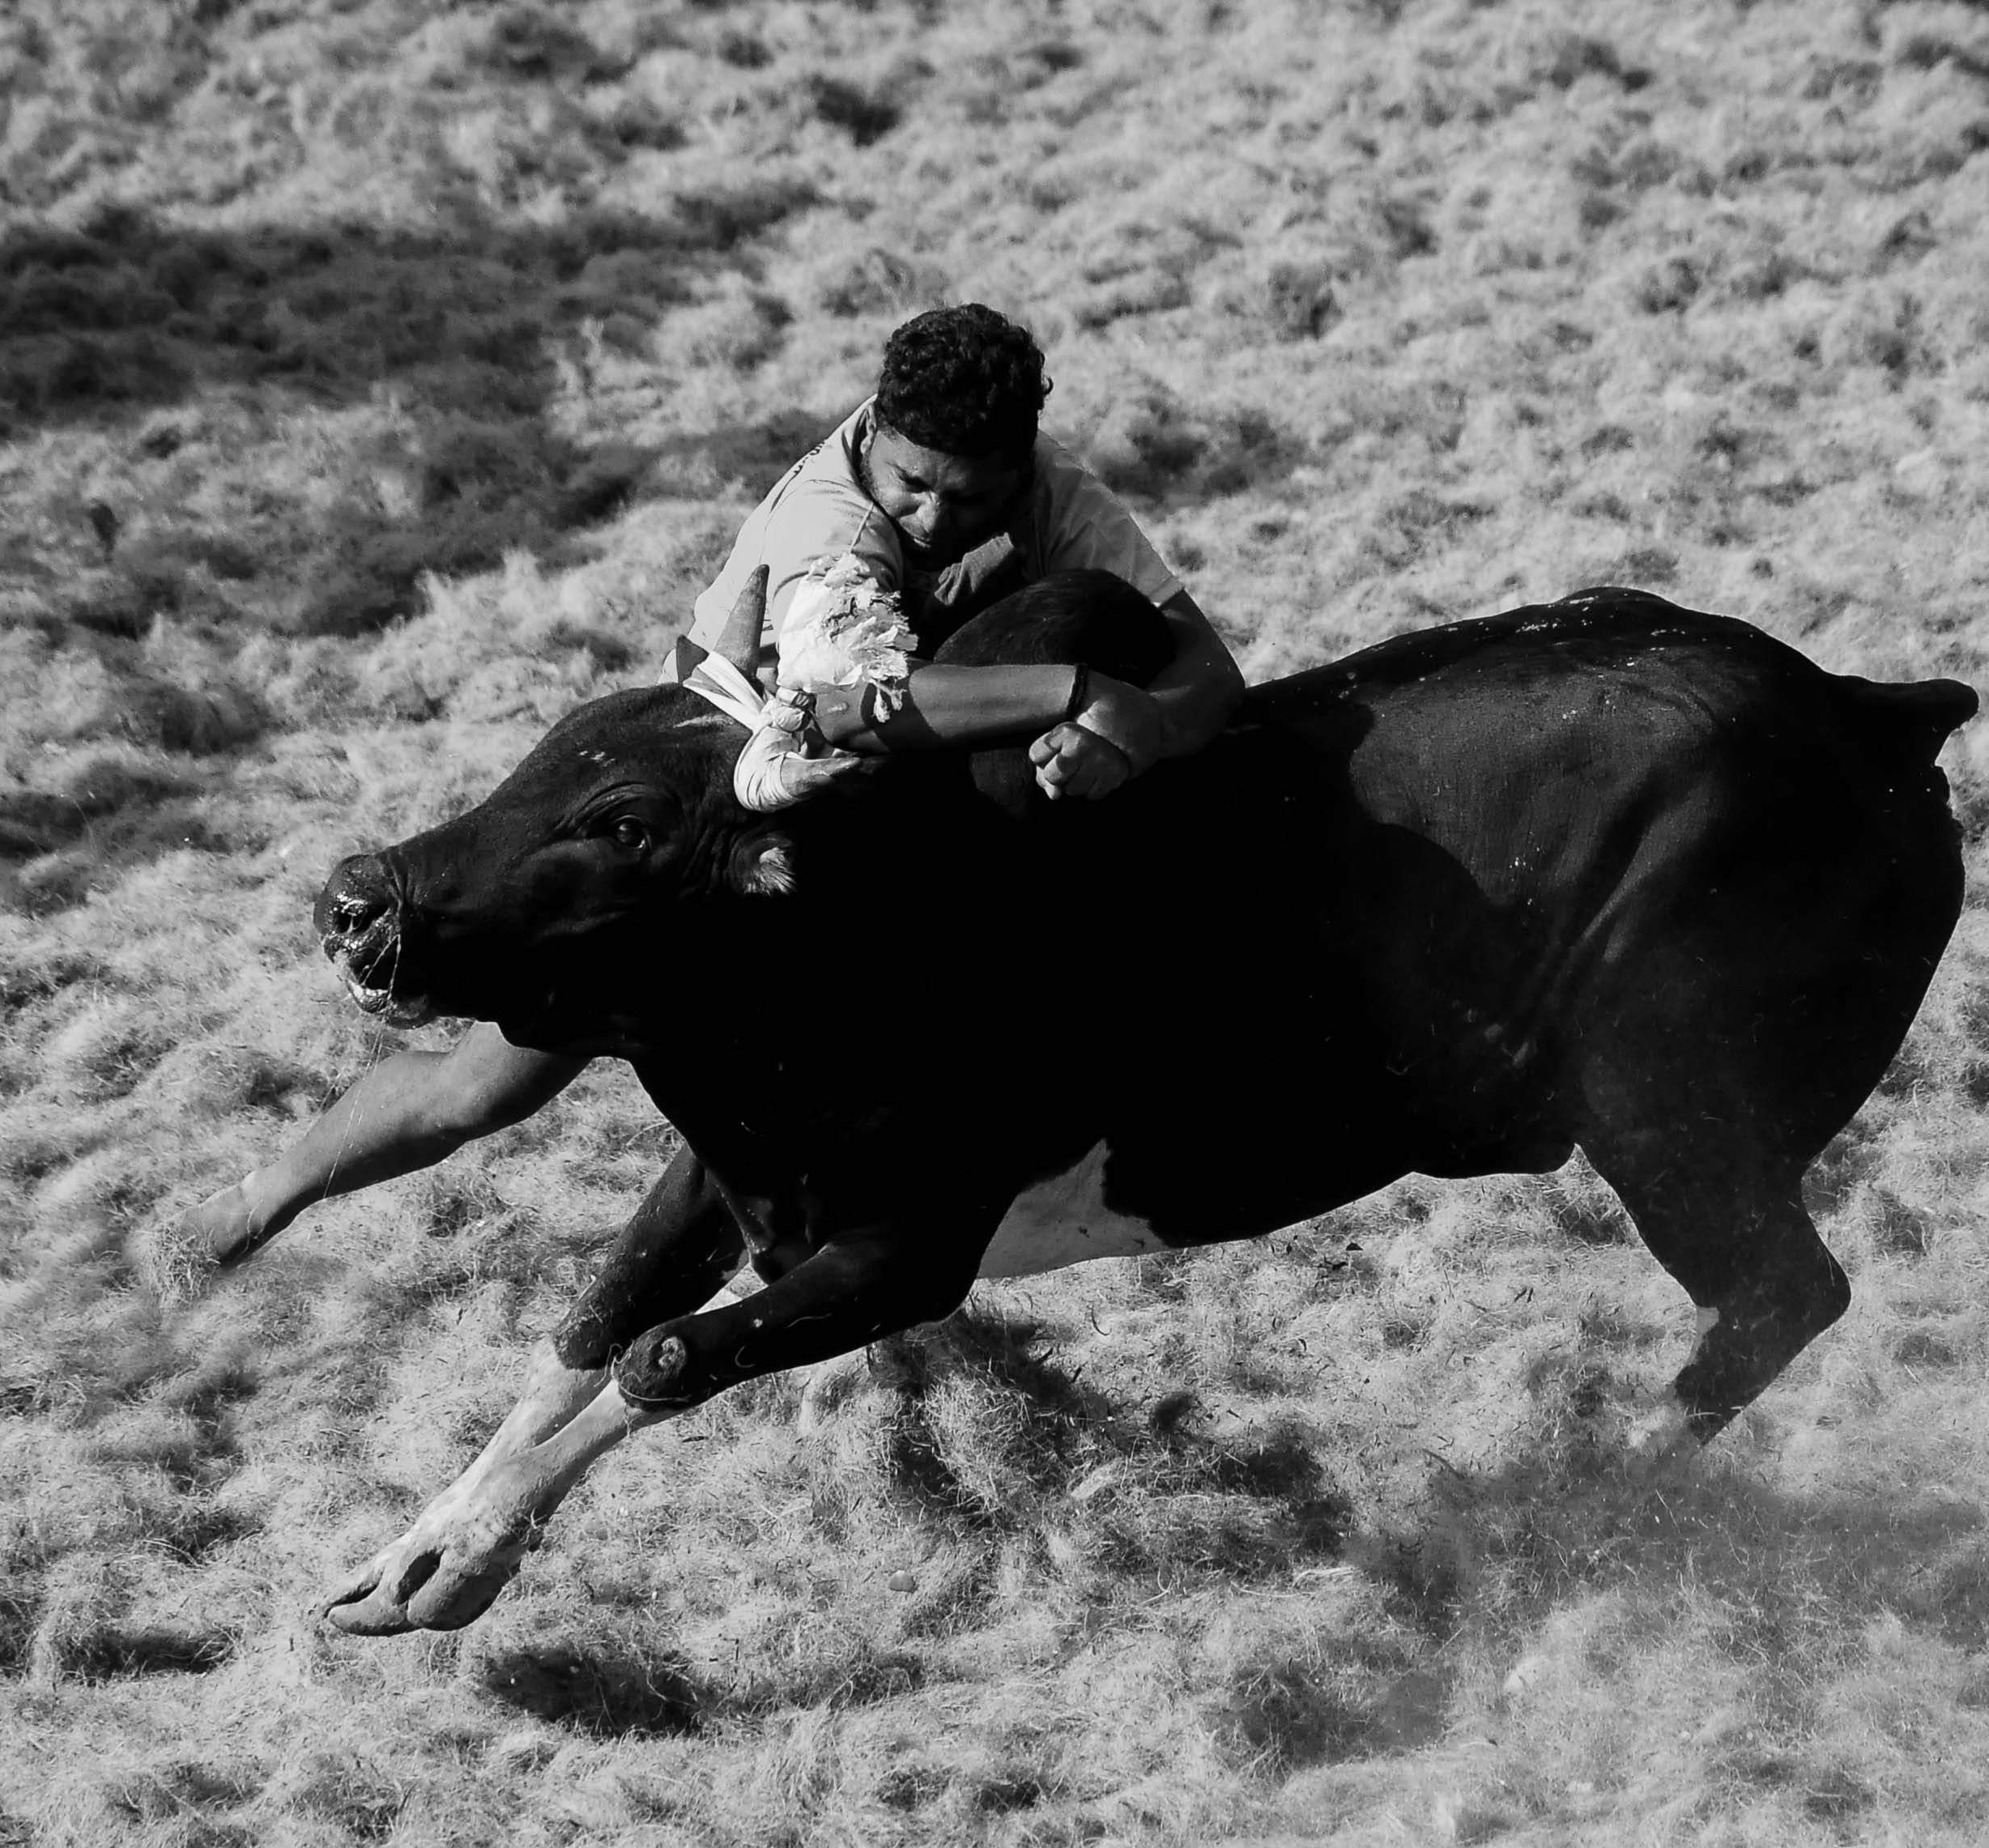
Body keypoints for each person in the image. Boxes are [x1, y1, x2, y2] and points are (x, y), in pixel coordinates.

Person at [168, 305, 1243, 1274]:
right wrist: (1083, 690)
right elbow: (857, 699)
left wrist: (1139, 736)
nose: (928, 517)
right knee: (487, 1085)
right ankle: (259, 1200)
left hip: (867, 810)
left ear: (1023, 464)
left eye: (966, 495)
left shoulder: (1058, 493)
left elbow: (1210, 667)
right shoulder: (832, 522)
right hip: (702, 818)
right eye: (912, 484)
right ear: (872, 431)